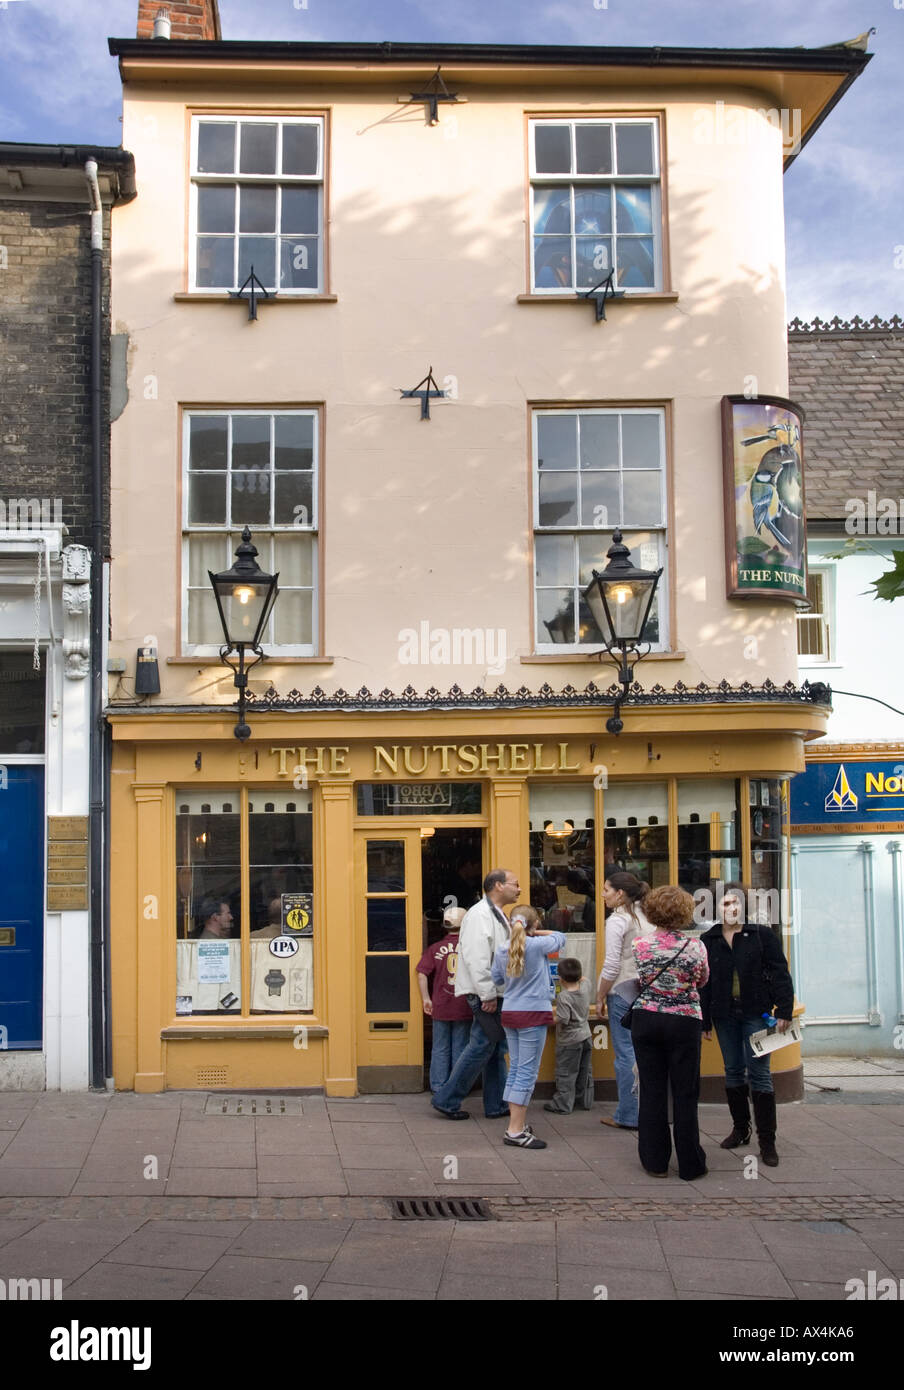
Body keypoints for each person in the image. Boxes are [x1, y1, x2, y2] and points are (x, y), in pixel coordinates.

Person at [699, 882, 795, 1167]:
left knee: (760, 1074)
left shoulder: (761, 935)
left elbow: (780, 973)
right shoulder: (709, 939)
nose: (732, 909)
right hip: (724, 1015)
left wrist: (784, 1010)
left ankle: (768, 1141)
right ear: (716, 908)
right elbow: (704, 984)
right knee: (732, 1070)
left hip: (757, 1013)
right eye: (726, 904)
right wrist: (704, 1020)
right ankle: (741, 1129)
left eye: (736, 903)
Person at [631, 885, 710, 1180]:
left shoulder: (640, 945)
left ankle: (655, 1161)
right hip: (684, 1020)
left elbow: (642, 979)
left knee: (652, 1090)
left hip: (647, 1019)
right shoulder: (696, 947)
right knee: (685, 1091)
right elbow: (701, 980)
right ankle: (691, 1163)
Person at [430, 868, 520, 1121]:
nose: (520, 889)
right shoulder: (481, 915)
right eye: (515, 884)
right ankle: (447, 1098)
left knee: (493, 1046)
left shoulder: (493, 914)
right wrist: (488, 994)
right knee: (482, 1045)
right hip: (487, 994)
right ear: (499, 886)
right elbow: (477, 958)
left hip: (491, 992)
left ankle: (495, 1104)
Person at [492, 906, 565, 1148]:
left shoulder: (503, 948)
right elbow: (560, 937)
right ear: (534, 924)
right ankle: (515, 1131)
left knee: (515, 1069)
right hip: (533, 1012)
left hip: (510, 1012)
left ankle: (516, 1124)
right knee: (527, 1072)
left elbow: (497, 978)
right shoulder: (536, 945)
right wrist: (535, 932)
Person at [596, 872, 655, 1131]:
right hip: (649, 990)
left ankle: (629, 1114)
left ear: (620, 894)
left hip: (622, 990)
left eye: (606, 890)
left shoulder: (619, 920)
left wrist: (599, 995)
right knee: (647, 1051)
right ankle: (649, 1109)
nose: (602, 894)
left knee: (625, 1053)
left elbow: (611, 966)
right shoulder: (649, 916)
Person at [416, 906, 472, 1092]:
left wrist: (426, 998)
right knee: (461, 1047)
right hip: (464, 1005)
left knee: (439, 1048)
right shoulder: (470, 948)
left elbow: (422, 973)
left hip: (440, 1004)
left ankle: (438, 1086)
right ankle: (456, 1087)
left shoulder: (435, 948)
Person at [544, 956, 593, 1115]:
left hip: (569, 1041)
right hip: (586, 1036)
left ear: (561, 979)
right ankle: (583, 1100)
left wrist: (547, 1019)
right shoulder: (585, 986)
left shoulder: (564, 996)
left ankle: (562, 1104)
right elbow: (584, 978)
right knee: (584, 1071)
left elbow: (563, 1019)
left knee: (566, 1073)